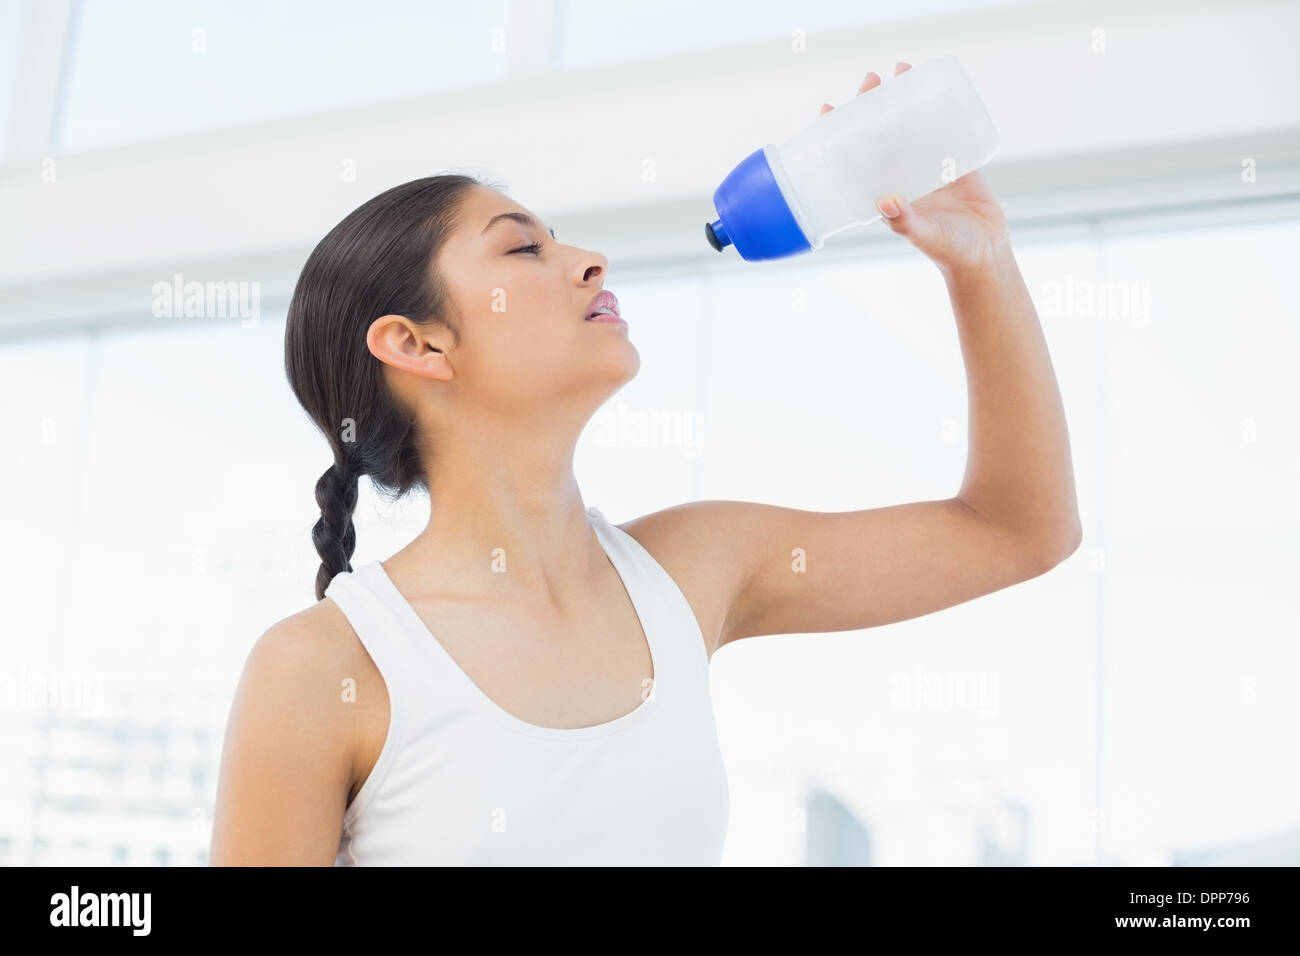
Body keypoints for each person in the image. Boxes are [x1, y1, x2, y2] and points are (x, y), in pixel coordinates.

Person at [209, 63, 1081, 866]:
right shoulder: (322, 669)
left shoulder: (694, 570)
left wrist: (981, 262)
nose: (591, 261)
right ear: (418, 343)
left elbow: (1018, 531)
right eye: (524, 249)